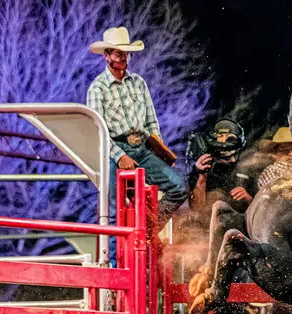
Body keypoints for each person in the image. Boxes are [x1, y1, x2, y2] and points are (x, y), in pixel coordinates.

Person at [86, 27, 188, 237]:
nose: (123, 57)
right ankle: (115, 252)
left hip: (141, 148)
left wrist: (159, 149)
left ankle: (146, 232)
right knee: (113, 207)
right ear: (107, 56)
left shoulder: (139, 83)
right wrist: (120, 156)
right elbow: (98, 131)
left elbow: (151, 121)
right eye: (118, 53)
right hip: (114, 150)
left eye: (126, 53)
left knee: (179, 187)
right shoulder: (98, 88)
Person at [187, 118, 254, 217]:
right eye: (220, 136)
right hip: (208, 222)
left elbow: (261, 209)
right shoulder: (203, 166)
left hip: (239, 221)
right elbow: (196, 208)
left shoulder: (248, 168)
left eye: (229, 137)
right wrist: (202, 176)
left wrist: (248, 199)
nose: (223, 141)